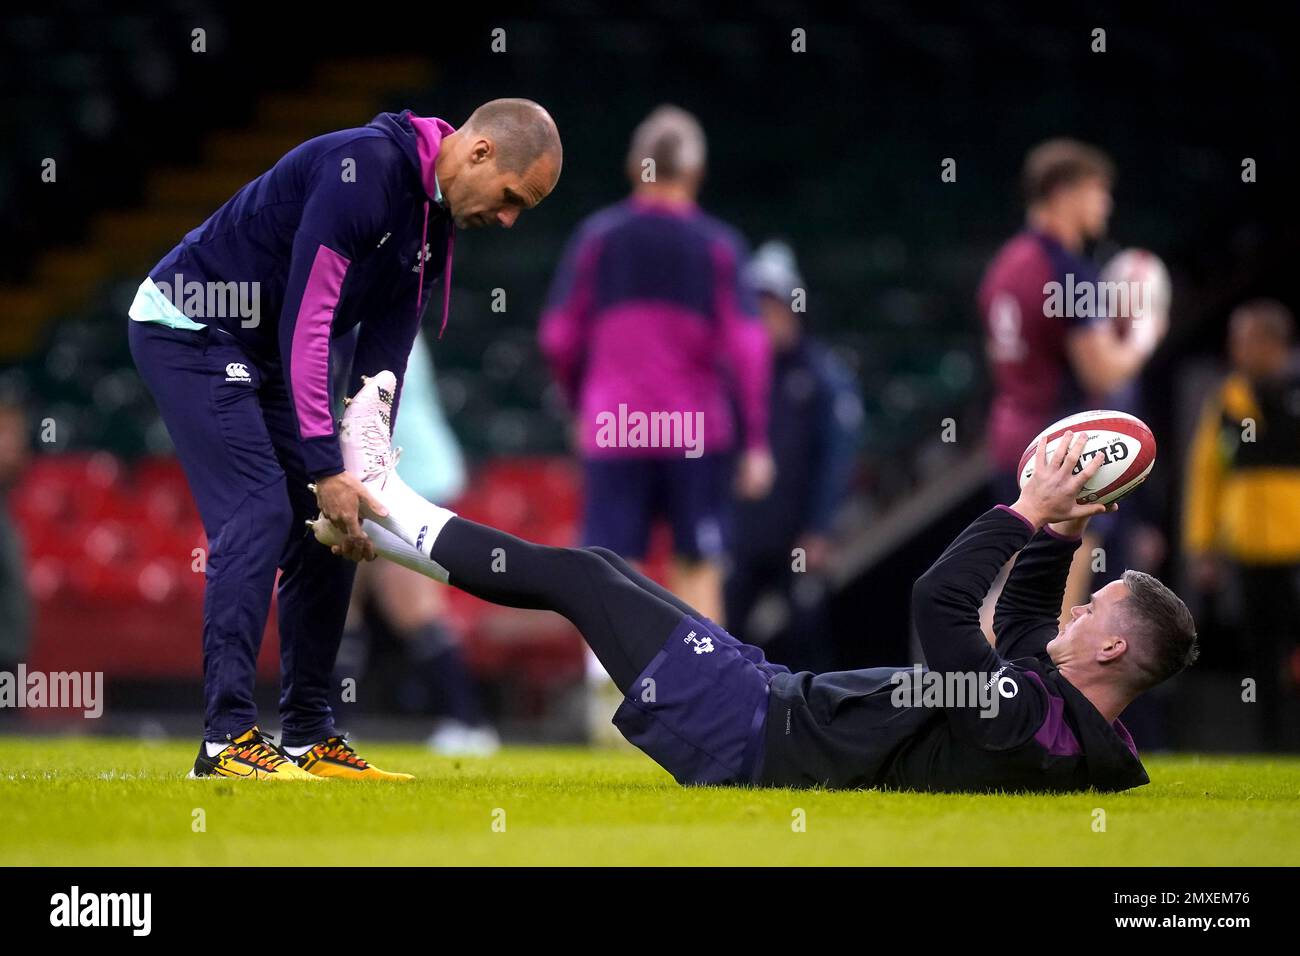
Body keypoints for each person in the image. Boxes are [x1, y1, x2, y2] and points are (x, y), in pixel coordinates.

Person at [317, 372, 1198, 792]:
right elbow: (1030, 621)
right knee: (600, 573)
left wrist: (1019, 509)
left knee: (581, 577)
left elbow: (938, 599)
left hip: (749, 732)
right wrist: (1064, 522)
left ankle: (384, 490)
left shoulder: (1022, 720)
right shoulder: (1064, 724)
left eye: (1097, 609)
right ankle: (373, 535)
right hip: (769, 701)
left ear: (1113, 646)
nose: (1078, 610)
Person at [128, 100, 561, 780]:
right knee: (262, 510)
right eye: (511, 198)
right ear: (478, 153)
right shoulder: (362, 171)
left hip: (260, 350)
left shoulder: (432, 230)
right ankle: (226, 742)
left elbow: (379, 369)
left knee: (328, 525)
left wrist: (361, 478)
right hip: (189, 325)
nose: (508, 219)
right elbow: (309, 323)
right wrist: (328, 465)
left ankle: (307, 734)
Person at [539, 105, 772, 624]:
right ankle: (709, 702)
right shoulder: (719, 247)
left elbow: (558, 337)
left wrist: (580, 405)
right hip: (695, 430)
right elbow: (748, 350)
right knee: (698, 566)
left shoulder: (596, 240)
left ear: (633, 167)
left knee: (609, 571)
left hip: (615, 426)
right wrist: (755, 440)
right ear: (695, 173)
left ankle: (610, 701)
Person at [978, 138, 1167, 629]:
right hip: (1062, 449)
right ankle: (1034, 701)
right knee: (1051, 602)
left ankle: (977, 697)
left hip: (1011, 436)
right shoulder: (1063, 269)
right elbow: (1101, 371)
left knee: (1007, 584)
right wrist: (1146, 335)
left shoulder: (1006, 262)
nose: (1106, 204)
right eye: (1098, 190)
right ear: (1065, 193)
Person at [725, 241, 862, 672]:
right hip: (742, 533)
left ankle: (816, 729)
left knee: (806, 632)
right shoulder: (733, 375)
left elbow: (837, 457)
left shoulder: (821, 375)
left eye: (773, 306)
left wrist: (821, 528)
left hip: (798, 535)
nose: (764, 319)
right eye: (756, 307)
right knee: (724, 637)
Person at [1184, 299, 1300, 751]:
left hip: (1295, 549)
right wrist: (1203, 545)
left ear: (1275, 344)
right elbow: (1205, 476)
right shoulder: (1227, 401)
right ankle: (1272, 746)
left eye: (1248, 340)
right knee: (1261, 656)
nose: (1238, 350)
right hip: (1250, 551)